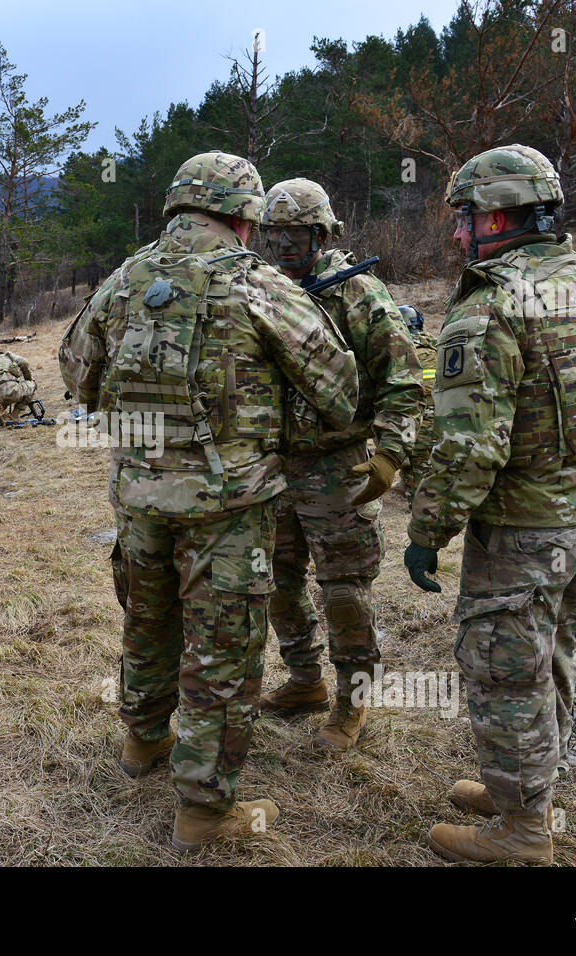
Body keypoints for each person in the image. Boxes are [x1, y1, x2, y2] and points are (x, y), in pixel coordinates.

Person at [58, 151, 358, 853]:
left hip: (137, 499)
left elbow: (77, 373)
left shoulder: (126, 276)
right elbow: (339, 392)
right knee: (222, 653)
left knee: (148, 623)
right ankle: (203, 810)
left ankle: (142, 741)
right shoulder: (257, 283)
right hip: (227, 508)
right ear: (244, 216)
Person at [403, 144, 576, 864]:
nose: (456, 232)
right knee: (555, 654)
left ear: (498, 214)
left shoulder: (491, 303)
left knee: (505, 673)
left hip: (525, 530)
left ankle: (523, 832)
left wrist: (426, 528)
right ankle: (528, 789)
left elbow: (470, 446)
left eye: (464, 217)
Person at [257, 178, 424, 752]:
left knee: (345, 592)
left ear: (323, 233)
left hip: (337, 468)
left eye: (296, 233)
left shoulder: (360, 296)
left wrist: (391, 453)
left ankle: (351, 703)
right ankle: (304, 680)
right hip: (271, 468)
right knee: (275, 583)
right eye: (273, 232)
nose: (283, 244)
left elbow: (406, 382)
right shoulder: (259, 293)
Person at [397, 305, 439, 505]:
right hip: (443, 414)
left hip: (414, 415)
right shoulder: (438, 344)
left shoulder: (400, 349)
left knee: (412, 461)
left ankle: (418, 503)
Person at [0, 349, 36, 423]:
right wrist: (28, 378)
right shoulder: (6, 356)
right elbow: (23, 362)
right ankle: (14, 415)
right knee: (32, 385)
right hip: (10, 390)